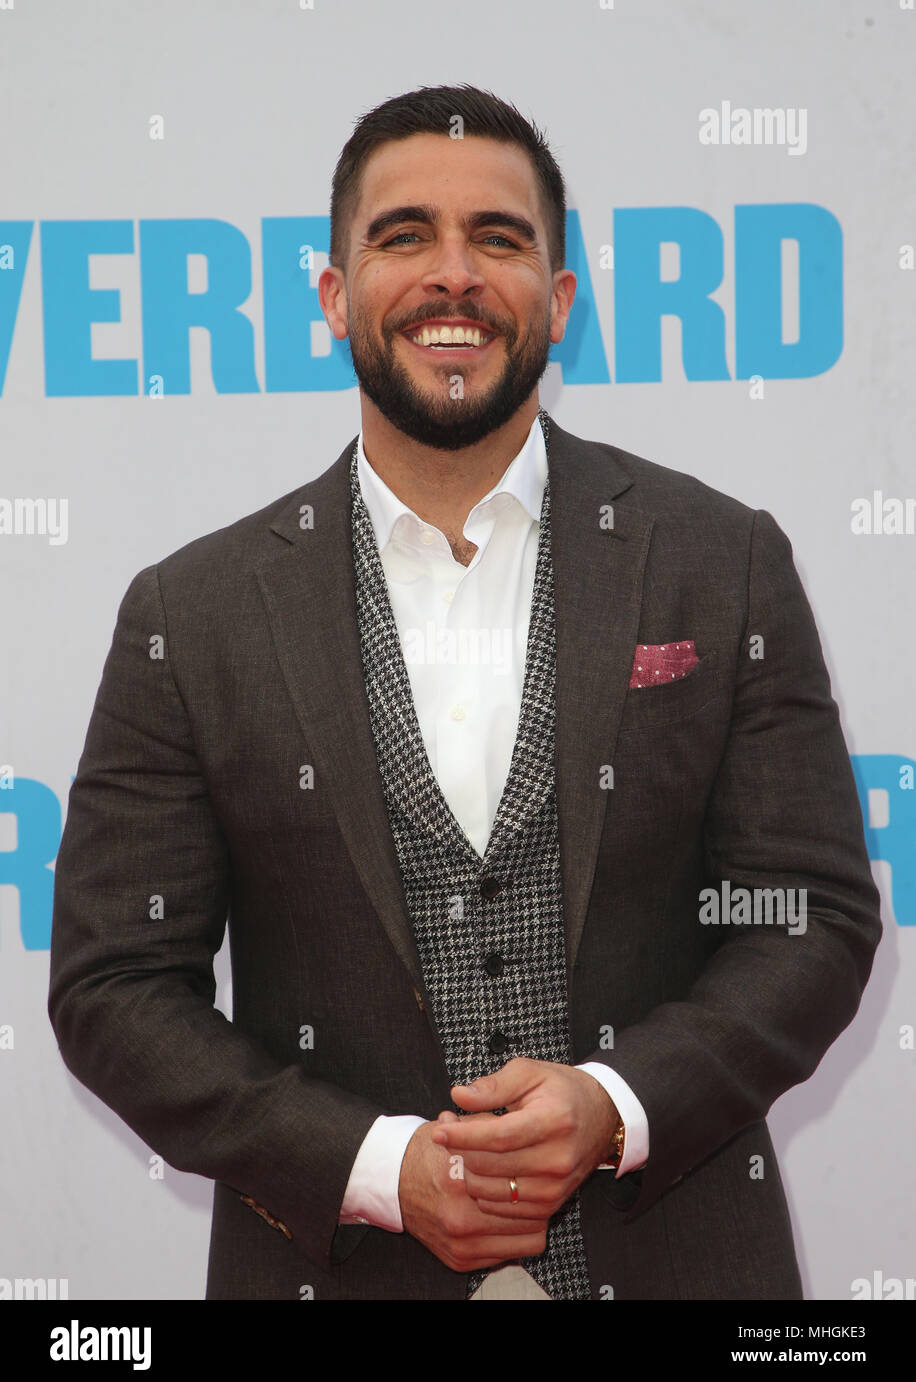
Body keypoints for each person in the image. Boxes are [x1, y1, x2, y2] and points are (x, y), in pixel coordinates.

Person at [48, 84, 882, 1301]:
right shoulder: (194, 612)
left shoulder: (721, 559)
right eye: (402, 238)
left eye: (498, 238)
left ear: (560, 300)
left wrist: (611, 1101)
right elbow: (112, 985)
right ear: (333, 299)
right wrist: (377, 1166)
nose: (453, 276)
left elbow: (805, 911)